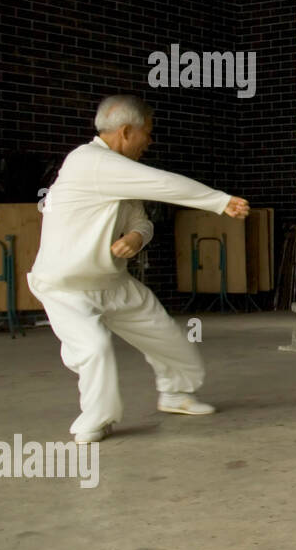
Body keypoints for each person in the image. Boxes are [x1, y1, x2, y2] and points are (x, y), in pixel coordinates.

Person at [28, 95, 251, 444]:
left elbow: (140, 220)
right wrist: (219, 201)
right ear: (126, 131)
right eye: (147, 132)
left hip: (111, 280)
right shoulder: (90, 162)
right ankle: (95, 419)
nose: (150, 140)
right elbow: (163, 183)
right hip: (66, 284)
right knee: (94, 347)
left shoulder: (115, 173)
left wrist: (135, 236)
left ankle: (176, 394)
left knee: (165, 335)